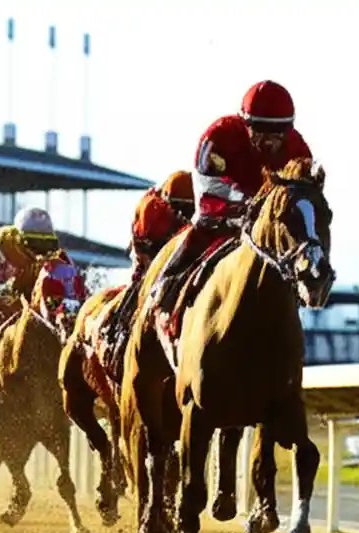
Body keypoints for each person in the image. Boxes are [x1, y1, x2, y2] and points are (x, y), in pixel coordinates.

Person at [154, 80, 314, 309]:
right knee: (202, 229)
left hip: (268, 223)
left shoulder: (299, 151)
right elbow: (207, 189)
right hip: (221, 212)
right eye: (259, 131)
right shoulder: (217, 138)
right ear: (244, 123)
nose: (268, 141)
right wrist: (248, 201)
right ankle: (167, 283)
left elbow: (305, 200)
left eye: (277, 134)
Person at [99, 170, 198, 375]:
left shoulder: (178, 215)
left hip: (166, 248)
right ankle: (117, 331)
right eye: (181, 209)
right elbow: (146, 249)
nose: (185, 214)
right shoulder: (151, 209)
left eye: (189, 210)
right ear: (169, 203)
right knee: (140, 282)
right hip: (145, 250)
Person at [0, 207, 66, 405]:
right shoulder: (1, 243)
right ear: (20, 239)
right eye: (34, 244)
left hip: (36, 307)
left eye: (46, 244)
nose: (41, 252)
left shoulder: (56, 257)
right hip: (4, 303)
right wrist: (12, 292)